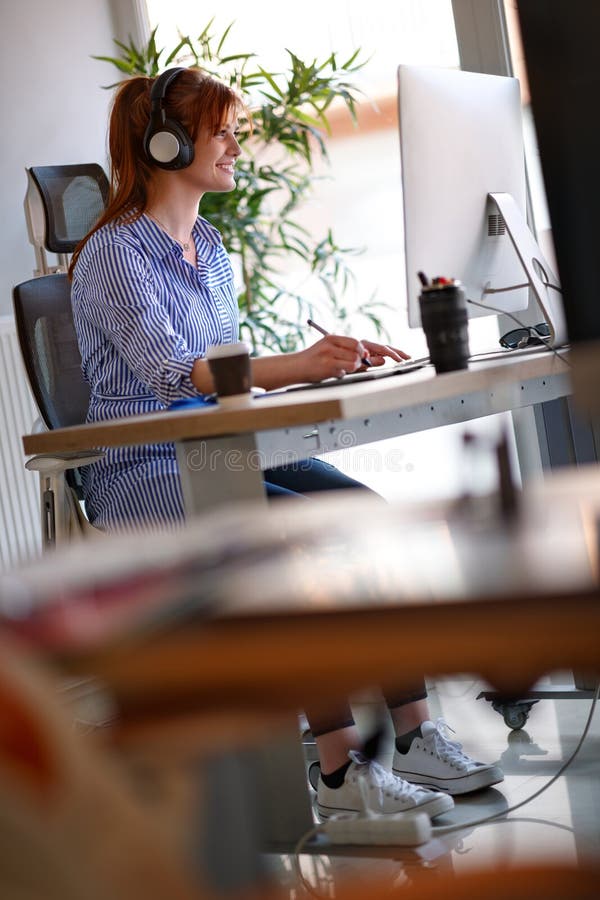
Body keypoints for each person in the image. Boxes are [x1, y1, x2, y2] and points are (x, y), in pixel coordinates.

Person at [69, 66, 503, 822]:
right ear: (169, 145)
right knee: (292, 544)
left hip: (221, 448)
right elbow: (179, 372)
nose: (238, 147)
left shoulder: (209, 247)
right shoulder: (114, 252)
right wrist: (298, 366)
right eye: (223, 133)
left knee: (368, 516)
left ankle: (415, 735)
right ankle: (340, 771)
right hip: (144, 467)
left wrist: (328, 364)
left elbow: (228, 382)